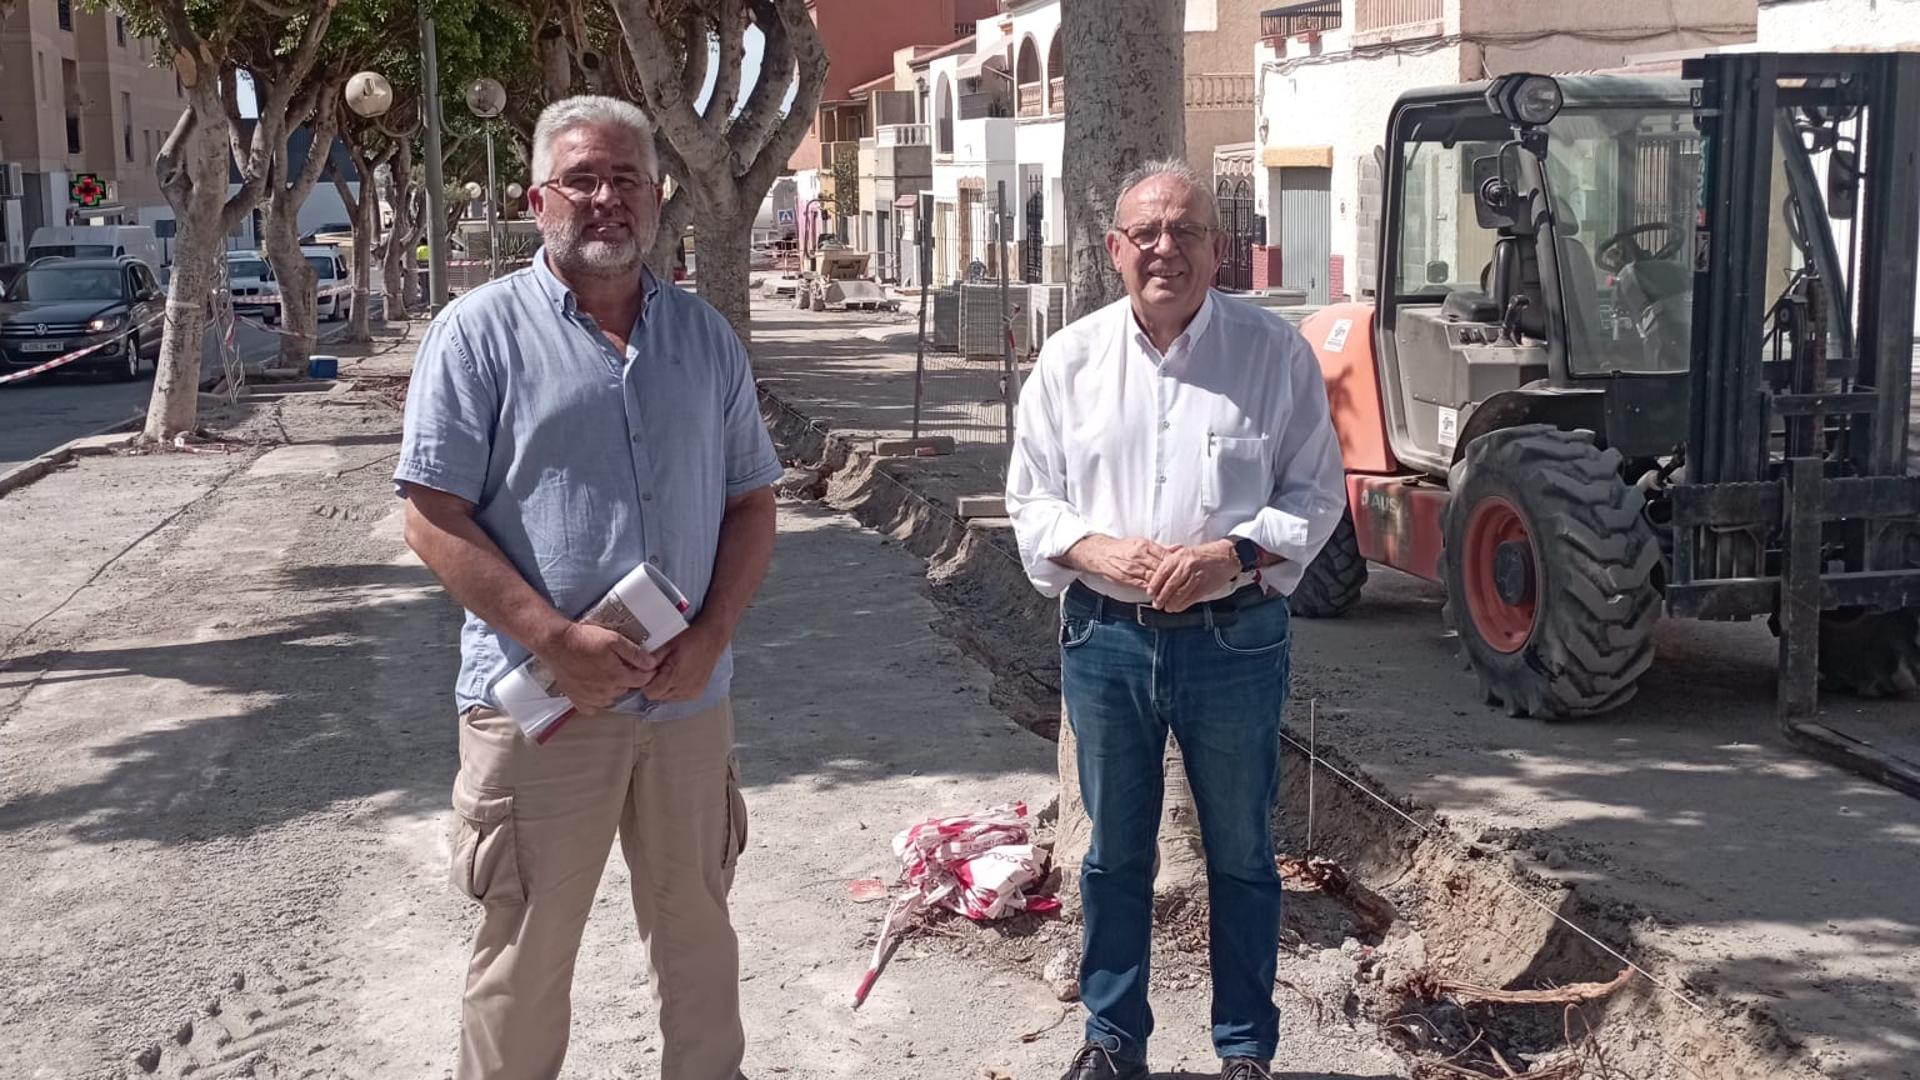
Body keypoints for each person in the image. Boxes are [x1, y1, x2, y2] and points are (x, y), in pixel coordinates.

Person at [394, 95, 782, 1080]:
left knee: (699, 943)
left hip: (688, 700)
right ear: (538, 199)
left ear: (659, 197)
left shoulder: (706, 341)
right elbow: (430, 516)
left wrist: (711, 635)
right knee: (523, 960)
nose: (605, 198)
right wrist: (555, 639)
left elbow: (752, 504)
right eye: (582, 179)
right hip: (539, 705)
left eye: (625, 179)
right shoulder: (474, 335)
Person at [1005, 160, 1346, 1080]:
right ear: (1114, 250)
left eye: (1185, 231)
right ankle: (1114, 1044)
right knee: (1115, 857)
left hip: (1234, 640)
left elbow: (1317, 496)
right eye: (1146, 234)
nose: (1165, 249)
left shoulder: (1273, 356)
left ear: (1218, 249)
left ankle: (1245, 1053)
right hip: (1105, 640)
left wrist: (1226, 556)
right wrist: (1093, 550)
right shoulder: (1070, 361)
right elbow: (1030, 501)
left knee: (1241, 853)